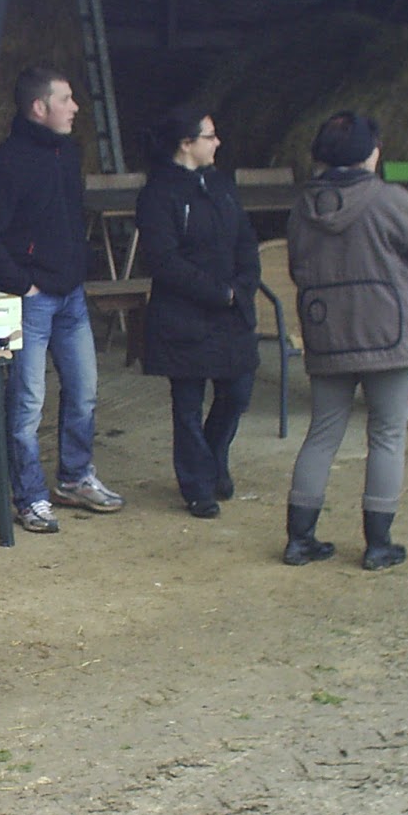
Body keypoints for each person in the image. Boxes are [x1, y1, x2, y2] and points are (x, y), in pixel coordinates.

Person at [282, 111, 408, 570]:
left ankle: (300, 540)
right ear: (372, 153)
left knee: (322, 433)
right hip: (387, 331)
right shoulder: (390, 200)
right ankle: (378, 544)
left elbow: (296, 266)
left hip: (326, 331)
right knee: (387, 435)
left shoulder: (304, 205)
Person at [0, 65, 124, 534]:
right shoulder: (3, 166)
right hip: (30, 301)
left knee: (85, 392)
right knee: (26, 404)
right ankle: (29, 497)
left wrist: (76, 271)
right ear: (40, 108)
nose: (75, 107)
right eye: (66, 99)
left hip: (70, 294)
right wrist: (21, 284)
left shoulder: (67, 153)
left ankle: (74, 479)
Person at [136, 106, 260, 519]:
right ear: (186, 144)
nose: (218, 142)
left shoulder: (222, 183)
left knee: (237, 392)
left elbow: (245, 238)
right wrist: (217, 292)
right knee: (187, 403)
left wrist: (242, 286)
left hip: (230, 309)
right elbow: (164, 260)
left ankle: (213, 455)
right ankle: (197, 484)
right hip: (183, 314)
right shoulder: (158, 193)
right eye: (209, 136)